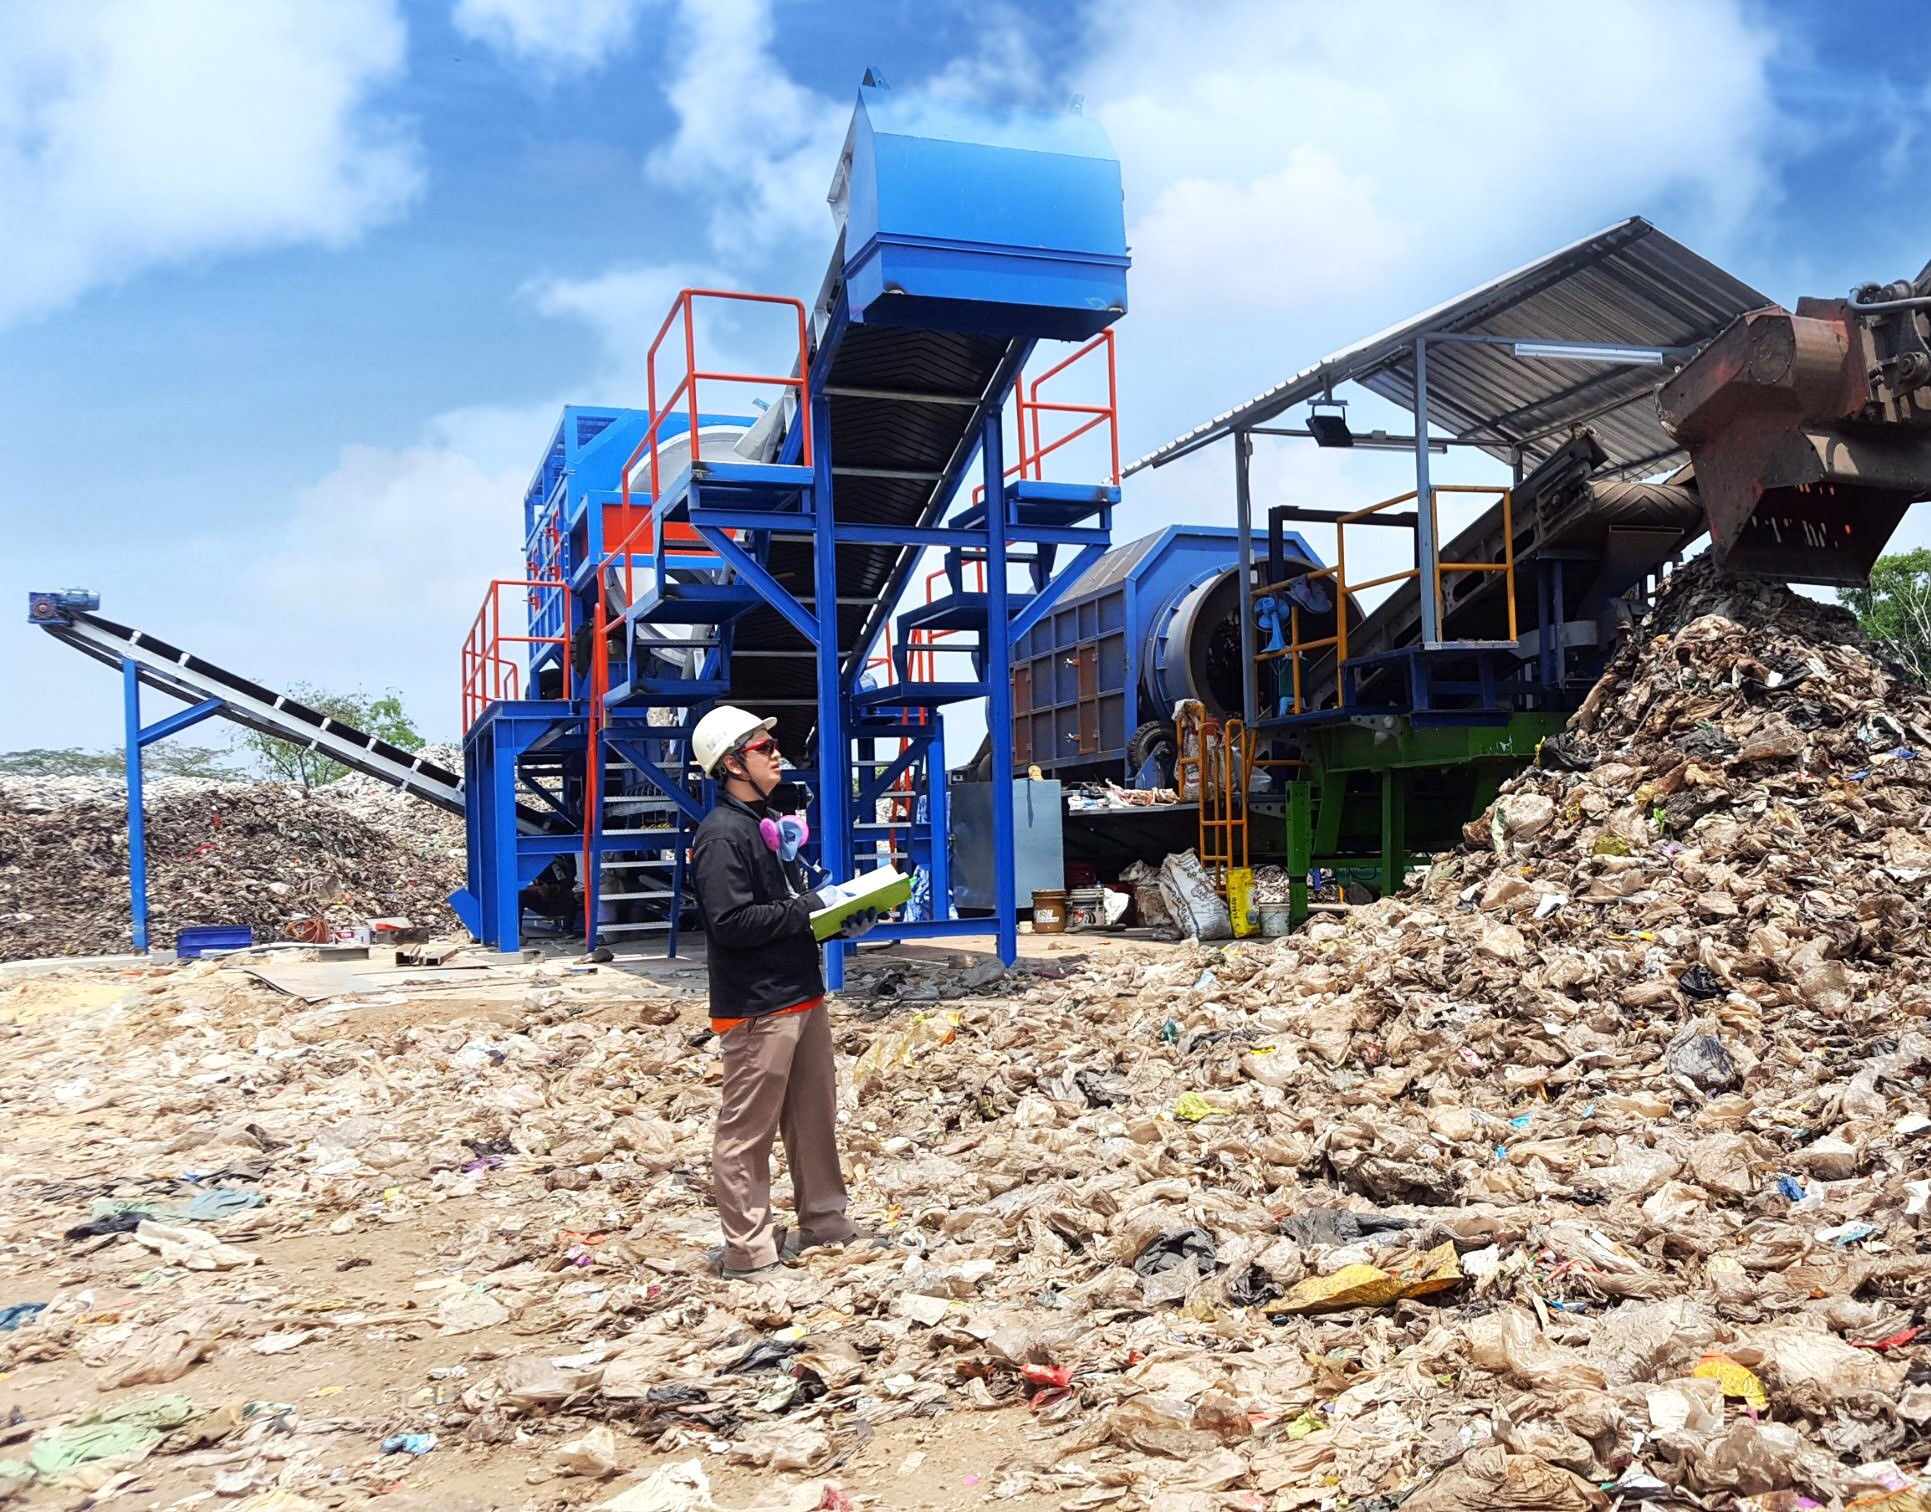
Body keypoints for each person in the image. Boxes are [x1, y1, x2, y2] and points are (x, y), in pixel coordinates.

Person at [688, 704, 875, 1279]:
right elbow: (731, 924)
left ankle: (826, 1222)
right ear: (731, 765)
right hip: (758, 1006)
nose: (776, 754)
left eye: (772, 745)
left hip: (800, 994)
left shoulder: (766, 825)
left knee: (813, 1119)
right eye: (763, 748)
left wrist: (838, 917)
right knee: (748, 1131)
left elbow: (784, 912)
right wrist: (806, 909)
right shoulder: (722, 836)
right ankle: (748, 1250)